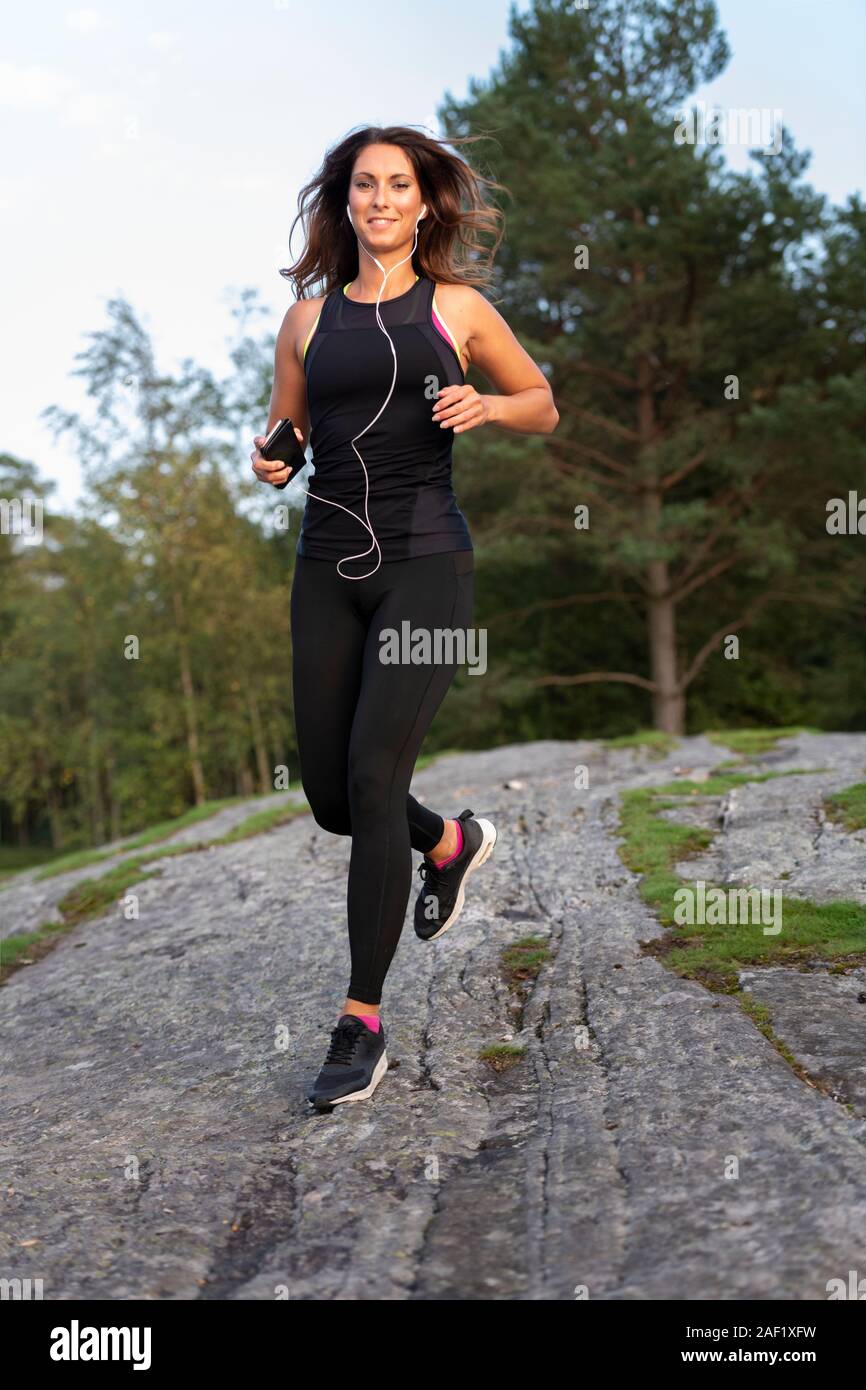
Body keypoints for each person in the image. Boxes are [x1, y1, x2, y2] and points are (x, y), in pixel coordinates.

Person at [251, 125, 559, 1110]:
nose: (379, 199)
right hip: (325, 568)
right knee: (338, 801)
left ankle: (360, 1020)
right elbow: (290, 428)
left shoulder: (457, 307)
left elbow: (540, 401)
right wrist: (272, 455)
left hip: (425, 564)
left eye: (396, 184)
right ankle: (447, 843)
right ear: (342, 203)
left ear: (423, 202)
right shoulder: (304, 321)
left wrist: (485, 406)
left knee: (374, 774)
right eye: (362, 186)